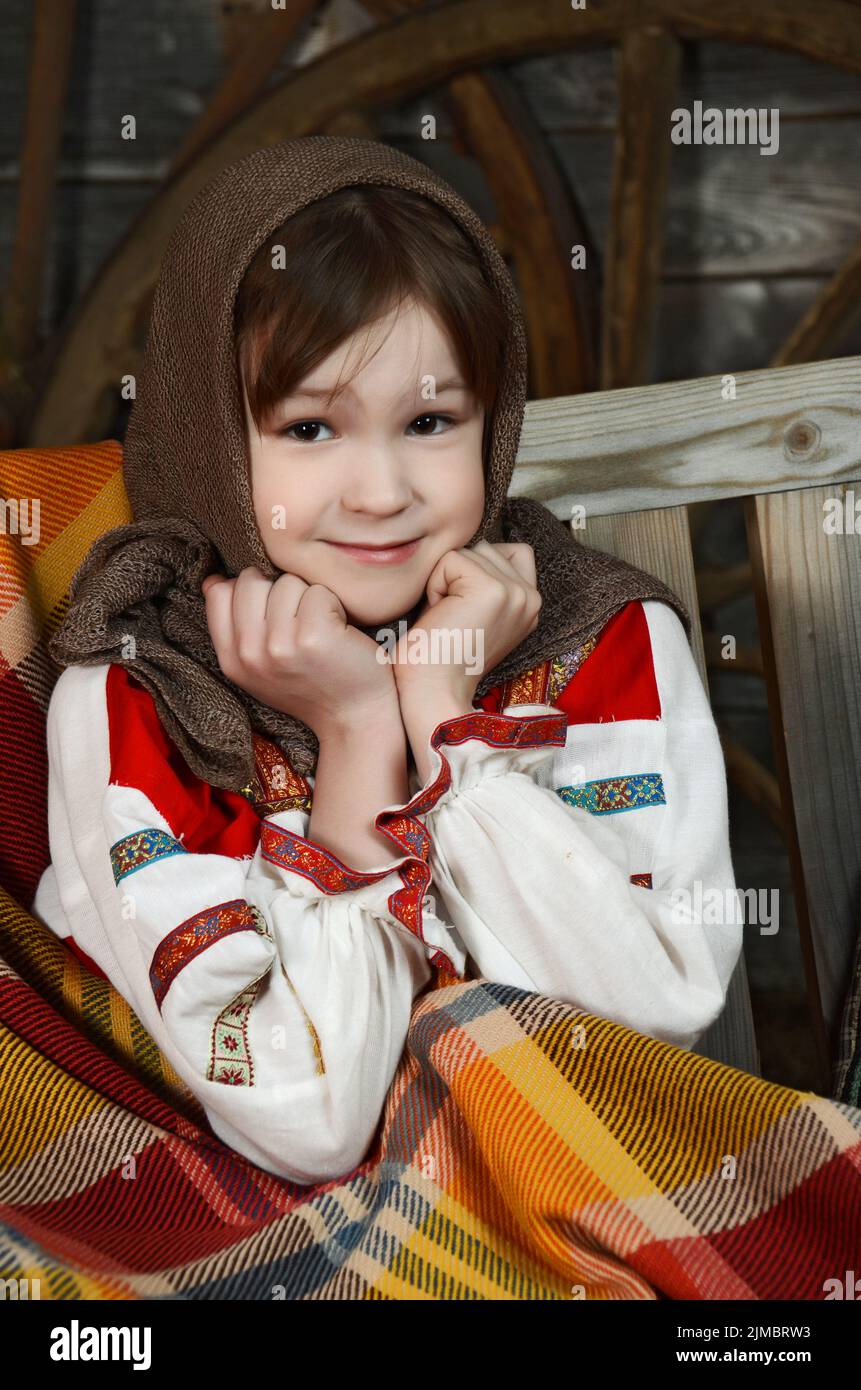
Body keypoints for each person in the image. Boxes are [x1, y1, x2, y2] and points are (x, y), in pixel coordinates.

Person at [33, 137, 742, 1185]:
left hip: (590, 1193)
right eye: (311, 426)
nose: (380, 491)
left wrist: (444, 714)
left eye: (429, 421)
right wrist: (360, 732)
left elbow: (644, 1025)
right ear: (206, 433)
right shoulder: (141, 691)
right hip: (267, 1230)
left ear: (491, 422)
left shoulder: (604, 635)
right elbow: (312, 1120)